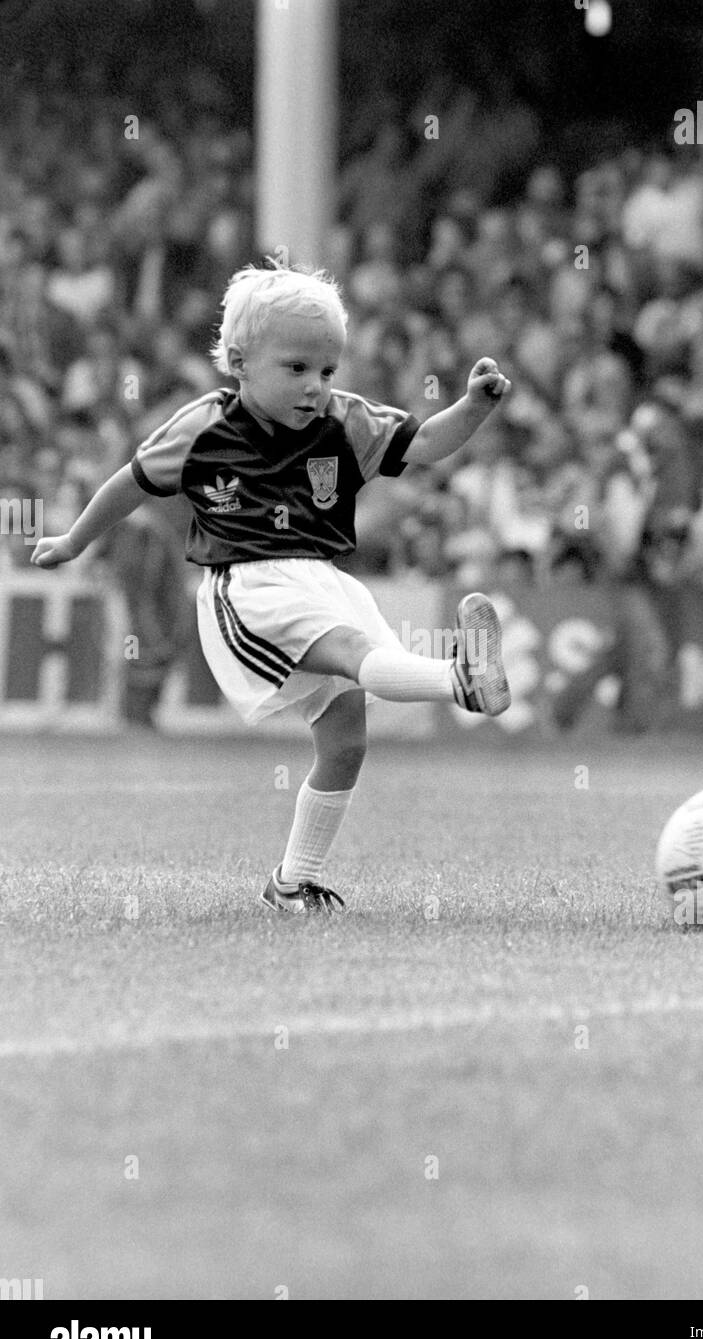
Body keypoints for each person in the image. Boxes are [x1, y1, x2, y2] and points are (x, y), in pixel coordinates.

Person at [32, 263, 512, 913]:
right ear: (238, 361)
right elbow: (131, 482)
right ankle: (460, 681)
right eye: (296, 369)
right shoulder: (204, 427)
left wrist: (473, 407)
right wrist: (74, 540)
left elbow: (424, 443)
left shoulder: (343, 420)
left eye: (327, 371)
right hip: (248, 586)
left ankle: (290, 883)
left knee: (346, 741)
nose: (316, 386)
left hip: (324, 579)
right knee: (348, 651)